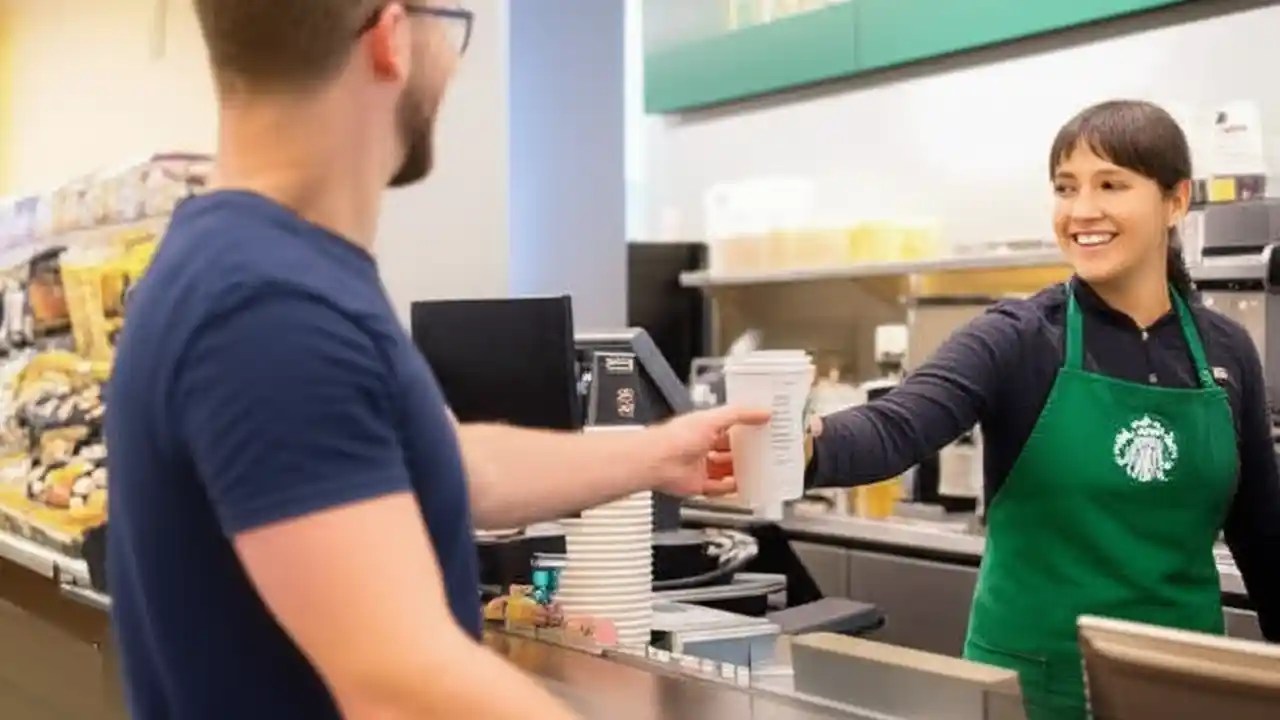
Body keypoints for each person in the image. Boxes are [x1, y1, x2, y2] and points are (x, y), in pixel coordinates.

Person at [105, 2, 767, 719]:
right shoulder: (269, 307)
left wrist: (657, 454)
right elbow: (404, 684)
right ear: (391, 38)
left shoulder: (250, 269)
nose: (453, 63)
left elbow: (449, 464)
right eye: (450, 26)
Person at [805, 99, 1280, 719]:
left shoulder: (1226, 351)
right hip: (1031, 694)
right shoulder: (1020, 336)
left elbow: (1264, 537)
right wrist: (801, 442)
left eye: (1111, 184)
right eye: (1066, 187)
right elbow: (897, 425)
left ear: (1175, 200)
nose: (1082, 210)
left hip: (1180, 692)